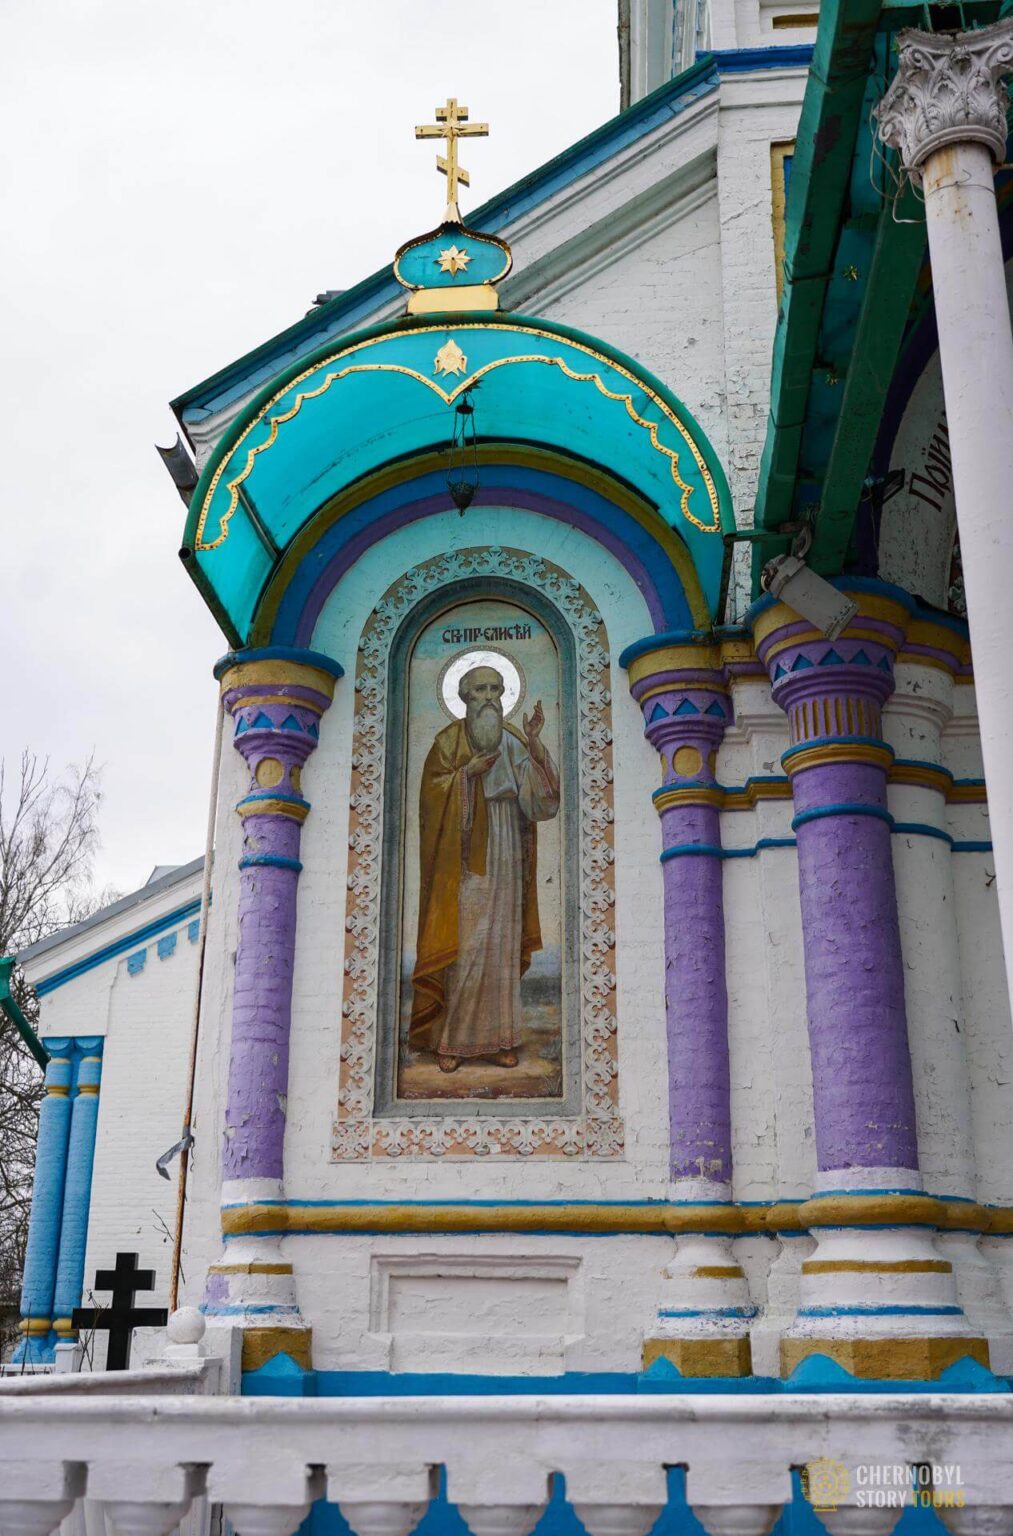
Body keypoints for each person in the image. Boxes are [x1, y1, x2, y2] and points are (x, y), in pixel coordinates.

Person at [410, 664, 560, 1072]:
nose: (490, 697)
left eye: (496, 689)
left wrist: (535, 743)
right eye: (481, 690)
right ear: (465, 697)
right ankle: (453, 1042)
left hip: (507, 849)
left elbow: (543, 803)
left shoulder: (512, 741)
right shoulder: (447, 743)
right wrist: (466, 776)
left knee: (501, 945)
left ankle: (499, 1040)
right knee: (469, 946)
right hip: (464, 858)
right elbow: (430, 802)